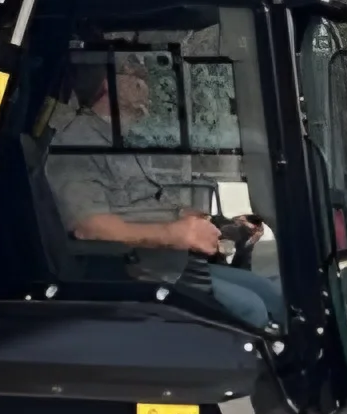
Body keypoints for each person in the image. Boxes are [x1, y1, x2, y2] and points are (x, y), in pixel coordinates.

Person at [45, 55, 281, 330]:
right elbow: (89, 227)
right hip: (138, 271)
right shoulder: (77, 141)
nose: (143, 77)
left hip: (171, 261)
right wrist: (175, 234)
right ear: (107, 83)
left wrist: (201, 219)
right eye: (131, 71)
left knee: (269, 293)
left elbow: (142, 199)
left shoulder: (118, 138)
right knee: (251, 308)